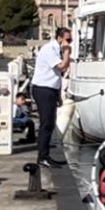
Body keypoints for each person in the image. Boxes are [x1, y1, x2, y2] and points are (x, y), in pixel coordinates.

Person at [29, 27, 69, 166]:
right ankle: (43, 156)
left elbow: (56, 76)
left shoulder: (56, 50)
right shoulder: (50, 50)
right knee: (46, 123)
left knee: (50, 123)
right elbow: (62, 67)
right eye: (67, 40)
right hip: (43, 89)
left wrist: (58, 96)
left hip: (50, 89)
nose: (69, 43)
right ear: (59, 38)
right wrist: (67, 52)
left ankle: (45, 155)